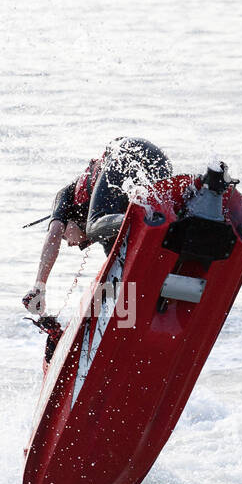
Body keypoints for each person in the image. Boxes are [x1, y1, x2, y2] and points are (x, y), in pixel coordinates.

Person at [22, 138, 173, 362]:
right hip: (160, 164)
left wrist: (39, 287)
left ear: (67, 222)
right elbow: (122, 278)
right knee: (121, 263)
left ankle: (146, 217)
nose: (71, 244)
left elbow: (52, 235)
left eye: (66, 238)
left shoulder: (67, 198)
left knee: (94, 227)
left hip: (130, 153)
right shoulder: (108, 225)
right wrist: (126, 328)